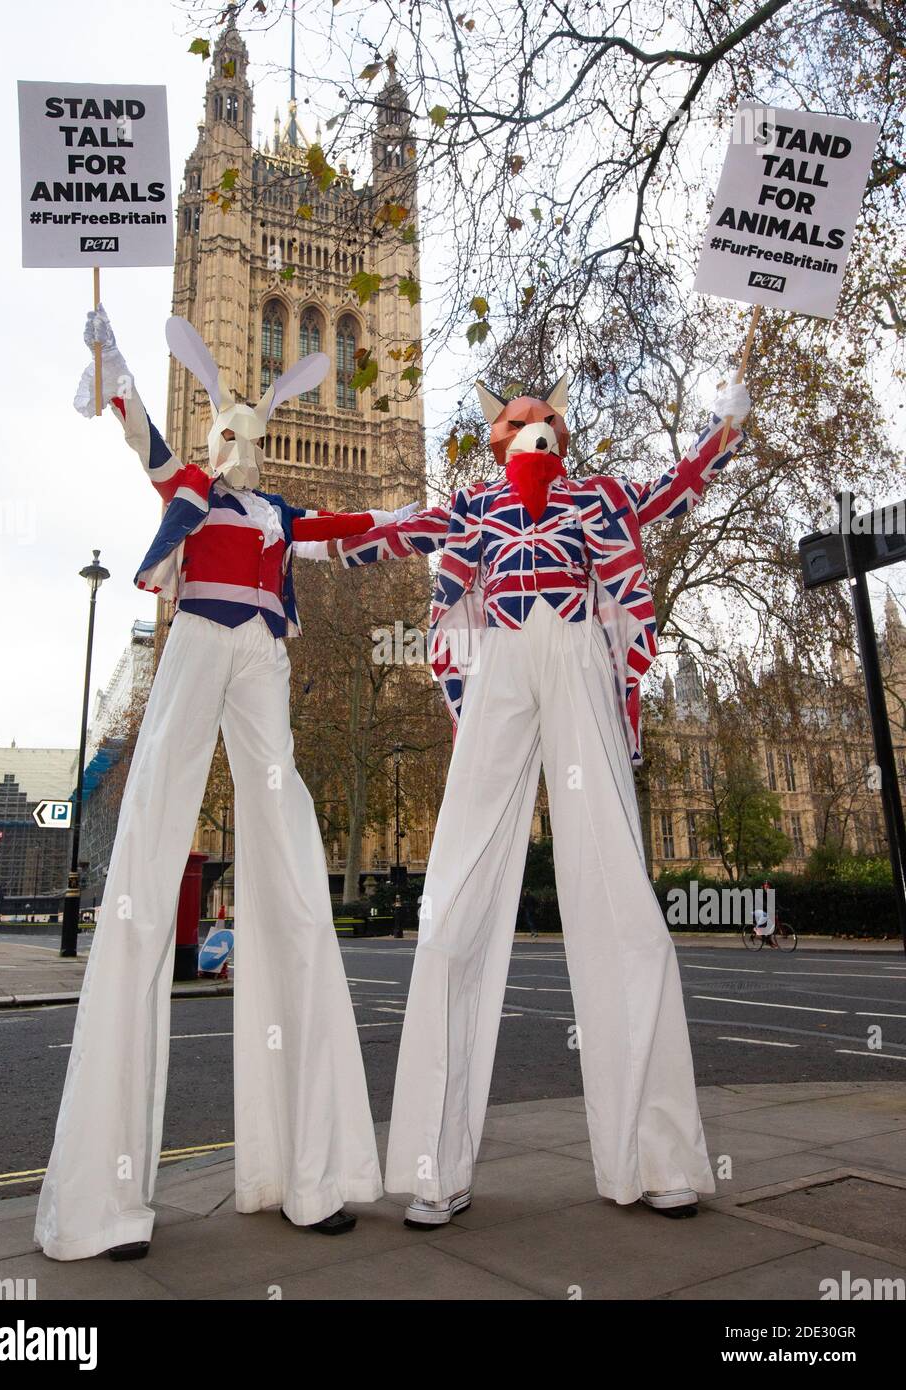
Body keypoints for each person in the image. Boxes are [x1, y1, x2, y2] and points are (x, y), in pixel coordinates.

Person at [316, 369, 751, 1224]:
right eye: (522, 422)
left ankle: (654, 1153)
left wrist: (722, 429)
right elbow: (389, 529)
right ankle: (437, 1165)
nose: (537, 430)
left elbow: (670, 487)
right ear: (500, 436)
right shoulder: (474, 507)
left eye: (548, 420)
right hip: (501, 662)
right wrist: (290, 536)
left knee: (621, 891)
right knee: (459, 889)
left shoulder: (597, 500)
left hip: (580, 650)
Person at [34, 308, 413, 1262]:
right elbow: (142, 441)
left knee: (286, 837)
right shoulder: (196, 491)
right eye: (229, 430)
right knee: (155, 817)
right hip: (201, 639)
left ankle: (308, 1171)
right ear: (217, 434)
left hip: (265, 659)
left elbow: (349, 524)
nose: (242, 444)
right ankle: (107, 1199)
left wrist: (426, 520)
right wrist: (110, 360)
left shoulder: (278, 515)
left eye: (252, 431)